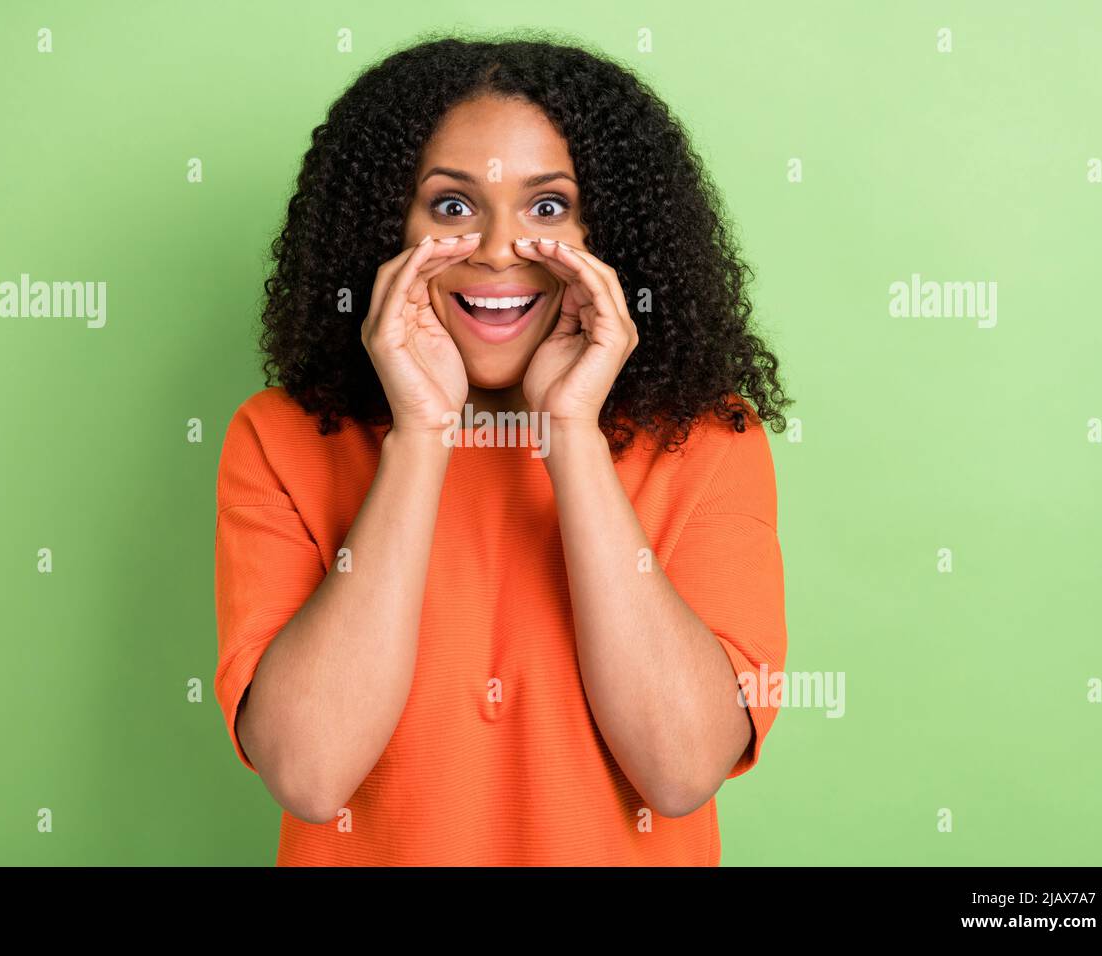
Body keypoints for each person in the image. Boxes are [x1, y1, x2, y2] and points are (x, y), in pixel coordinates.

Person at [214, 33, 792, 866]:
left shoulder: (707, 438)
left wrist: (571, 436)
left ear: (611, 234)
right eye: (452, 206)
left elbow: (681, 771)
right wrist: (420, 434)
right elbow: (310, 774)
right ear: (384, 225)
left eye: (548, 207)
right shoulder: (280, 439)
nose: (495, 248)